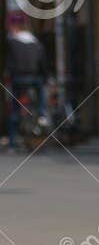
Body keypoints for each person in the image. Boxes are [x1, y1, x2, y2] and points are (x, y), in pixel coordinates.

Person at [5, 12, 46, 152]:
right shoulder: (35, 41)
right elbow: (42, 63)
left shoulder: (11, 41)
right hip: (35, 78)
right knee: (41, 91)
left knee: (15, 110)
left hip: (18, 78)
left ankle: (12, 142)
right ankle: (42, 113)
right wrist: (44, 77)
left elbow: (9, 63)